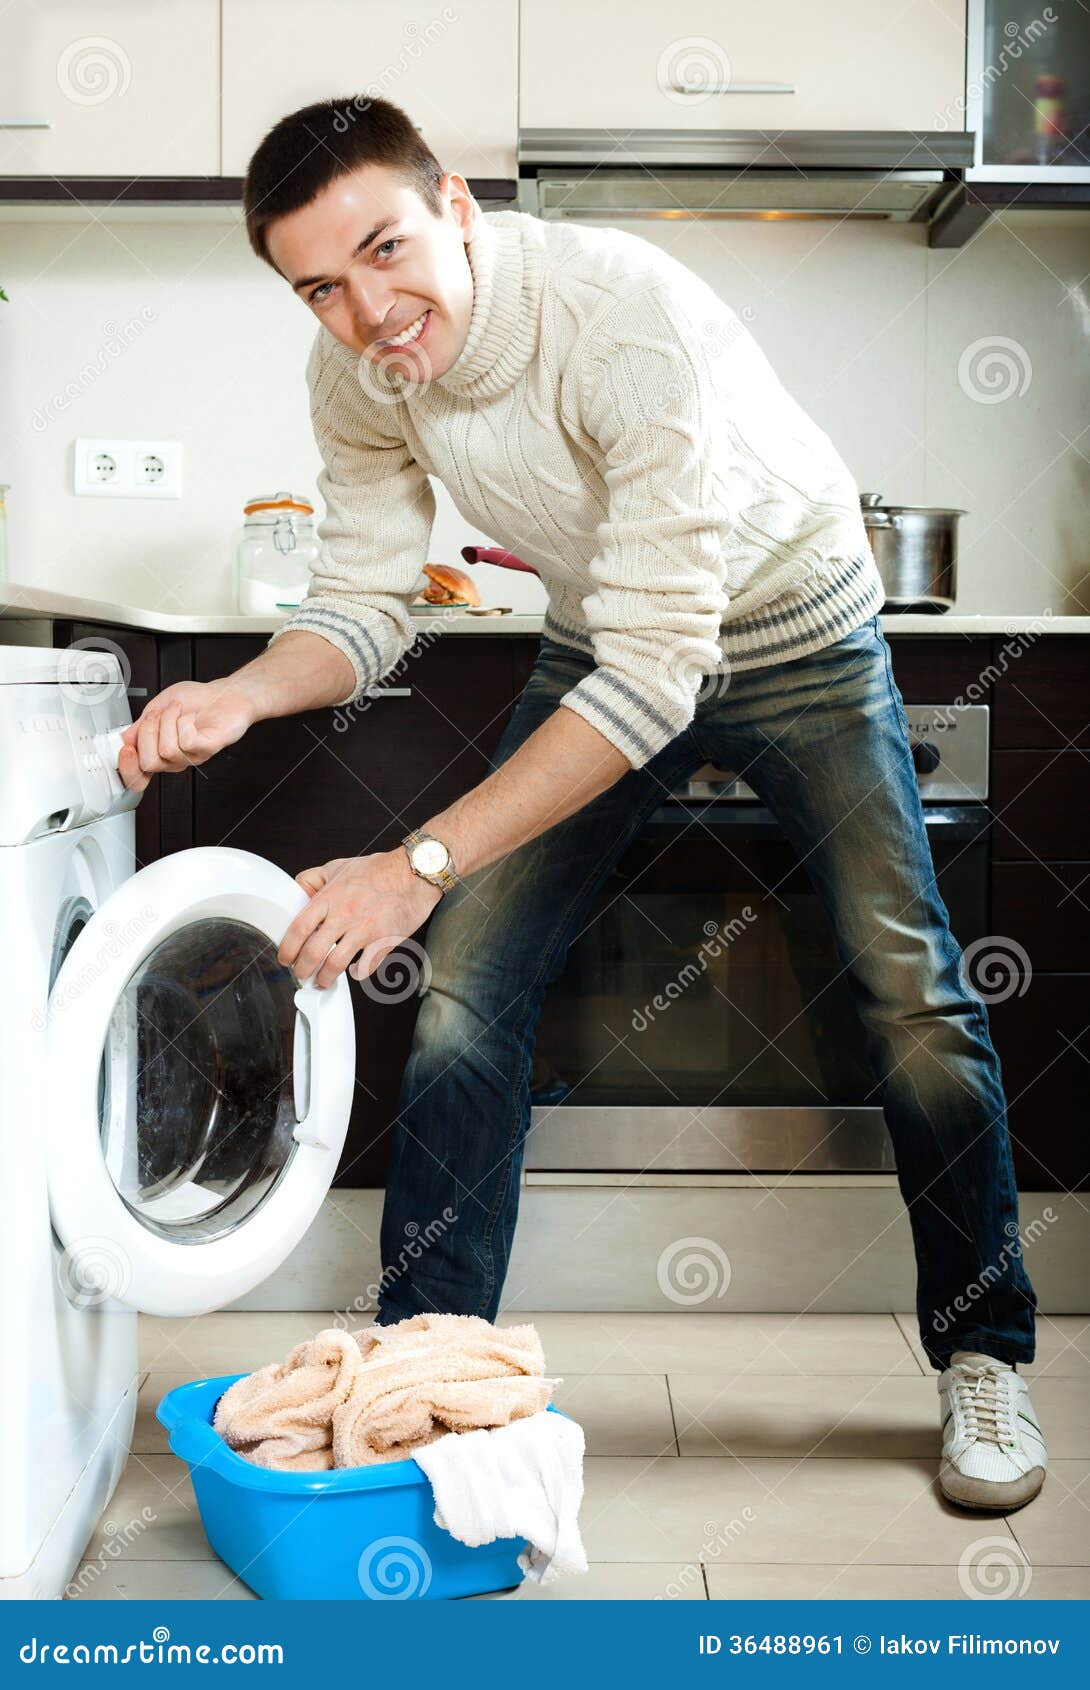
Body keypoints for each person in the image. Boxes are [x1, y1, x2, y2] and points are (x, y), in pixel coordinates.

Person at [120, 96, 1045, 1512]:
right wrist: (243, 691)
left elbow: (662, 672)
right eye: (320, 285)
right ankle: (424, 1372)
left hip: (793, 630)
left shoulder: (621, 314)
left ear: (460, 211)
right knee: (465, 995)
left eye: (386, 251)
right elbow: (365, 604)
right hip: (607, 636)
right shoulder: (353, 370)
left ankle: (983, 1354)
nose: (367, 311)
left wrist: (418, 859)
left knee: (911, 991)